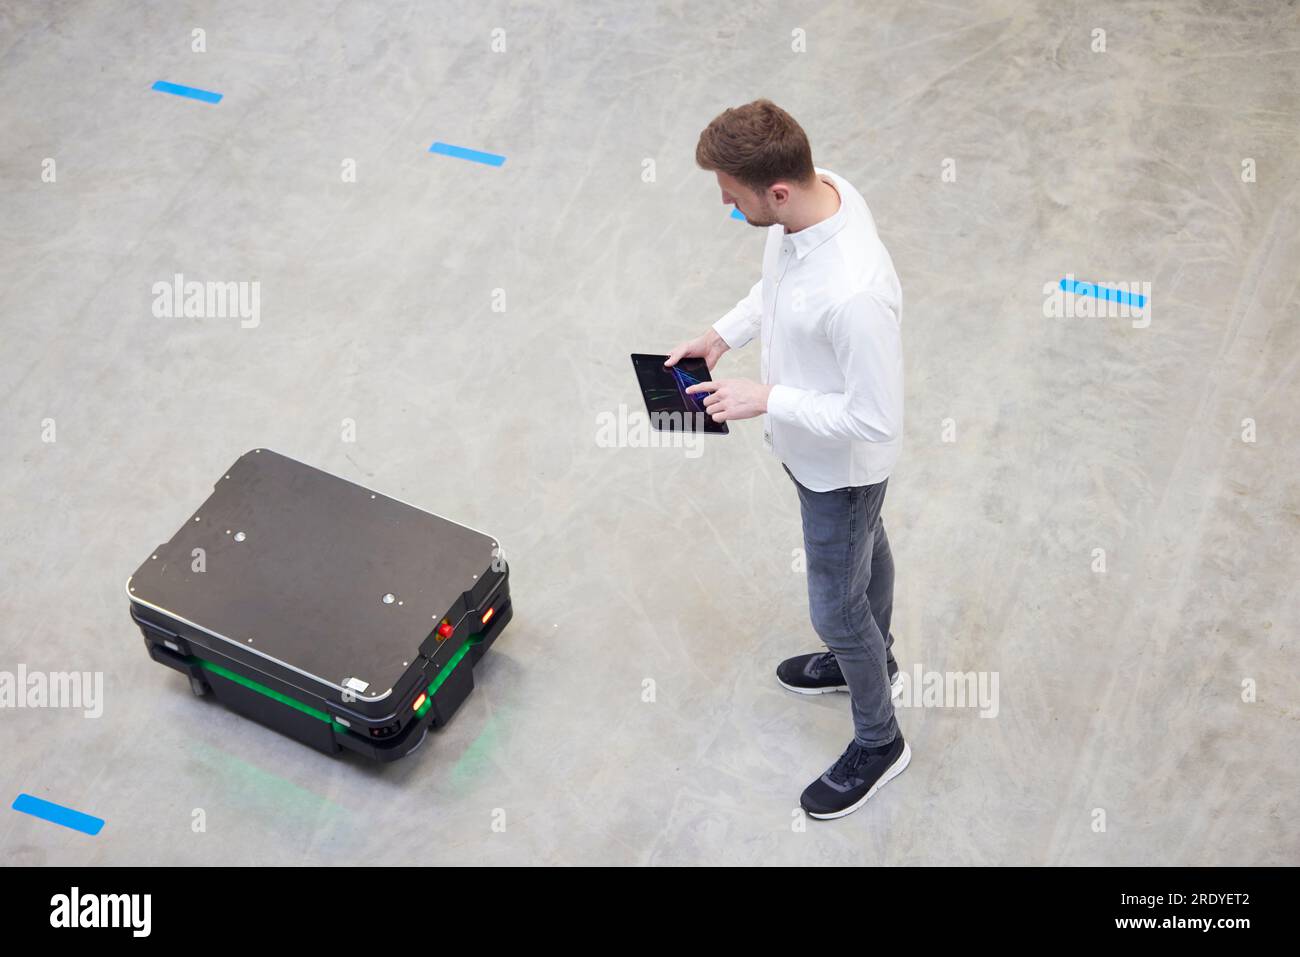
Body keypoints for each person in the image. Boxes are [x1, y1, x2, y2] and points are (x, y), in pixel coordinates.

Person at [666, 99, 909, 820]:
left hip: (841, 465)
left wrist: (766, 397)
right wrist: (721, 336)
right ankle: (875, 657)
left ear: (776, 191)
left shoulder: (856, 292)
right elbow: (775, 290)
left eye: (732, 197)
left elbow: (874, 416)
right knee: (869, 551)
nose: (725, 206)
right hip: (812, 453)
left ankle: (880, 738)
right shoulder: (815, 194)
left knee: (836, 606)